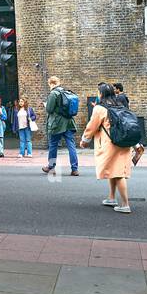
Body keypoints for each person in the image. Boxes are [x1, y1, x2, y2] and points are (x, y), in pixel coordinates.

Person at [80, 82, 134, 213]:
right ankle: (111, 197)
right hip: (124, 143)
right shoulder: (120, 105)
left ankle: (125, 204)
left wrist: (84, 140)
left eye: (98, 92)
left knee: (118, 173)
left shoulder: (99, 108)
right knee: (113, 169)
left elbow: (91, 126)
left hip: (111, 145)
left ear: (101, 94)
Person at [42, 75, 79, 177]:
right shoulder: (66, 92)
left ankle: (51, 167)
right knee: (71, 146)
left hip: (57, 124)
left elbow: (49, 109)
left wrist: (47, 105)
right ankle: (74, 169)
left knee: (53, 145)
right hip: (69, 123)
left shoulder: (54, 93)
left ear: (51, 83)